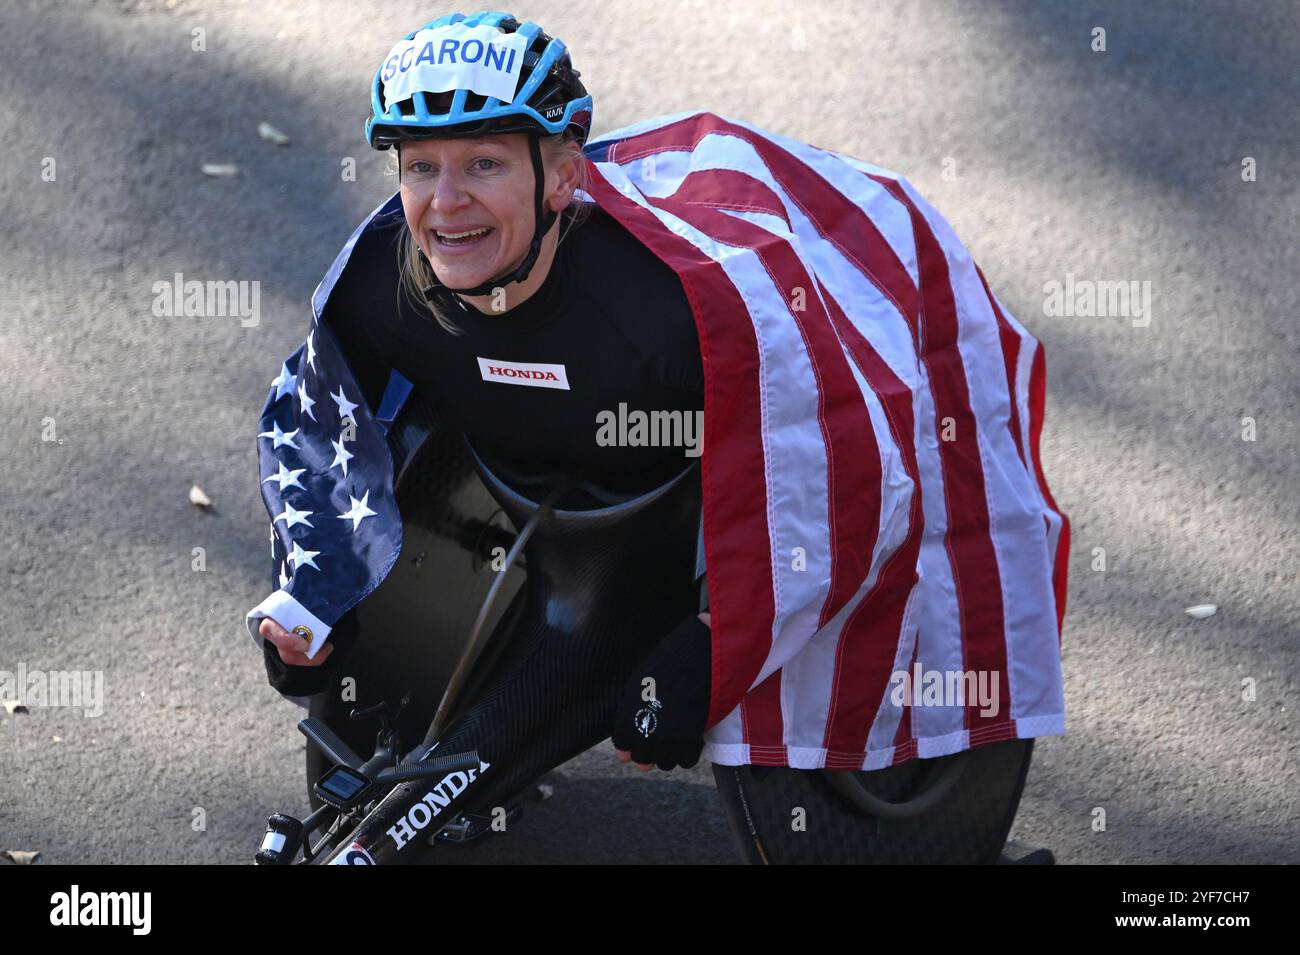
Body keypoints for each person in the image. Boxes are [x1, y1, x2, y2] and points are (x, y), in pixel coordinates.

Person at [257, 10, 714, 773]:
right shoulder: (378, 279)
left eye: (485, 164)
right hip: (506, 482)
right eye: (420, 166)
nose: (445, 202)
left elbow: (803, 458)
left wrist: (715, 632)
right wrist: (308, 591)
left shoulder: (661, 307)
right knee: (350, 764)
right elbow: (315, 428)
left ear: (565, 175)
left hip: (669, 511)